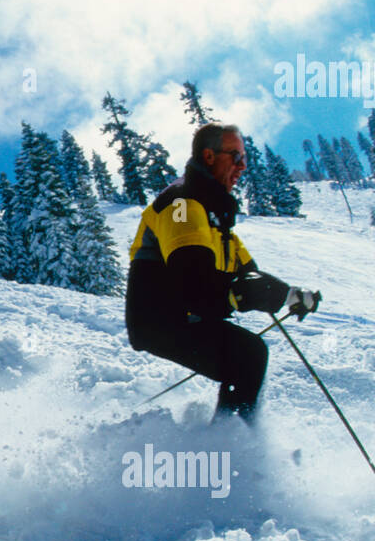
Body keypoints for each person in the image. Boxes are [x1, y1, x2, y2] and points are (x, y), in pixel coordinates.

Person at [125, 122, 320, 421]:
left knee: (248, 355)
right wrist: (236, 294)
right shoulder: (181, 204)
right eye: (236, 157)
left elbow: (250, 276)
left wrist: (289, 295)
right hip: (159, 319)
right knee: (247, 354)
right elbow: (192, 284)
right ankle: (228, 446)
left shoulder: (216, 218)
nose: (242, 167)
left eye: (245, 159)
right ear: (209, 156)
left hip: (187, 318)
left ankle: (229, 441)